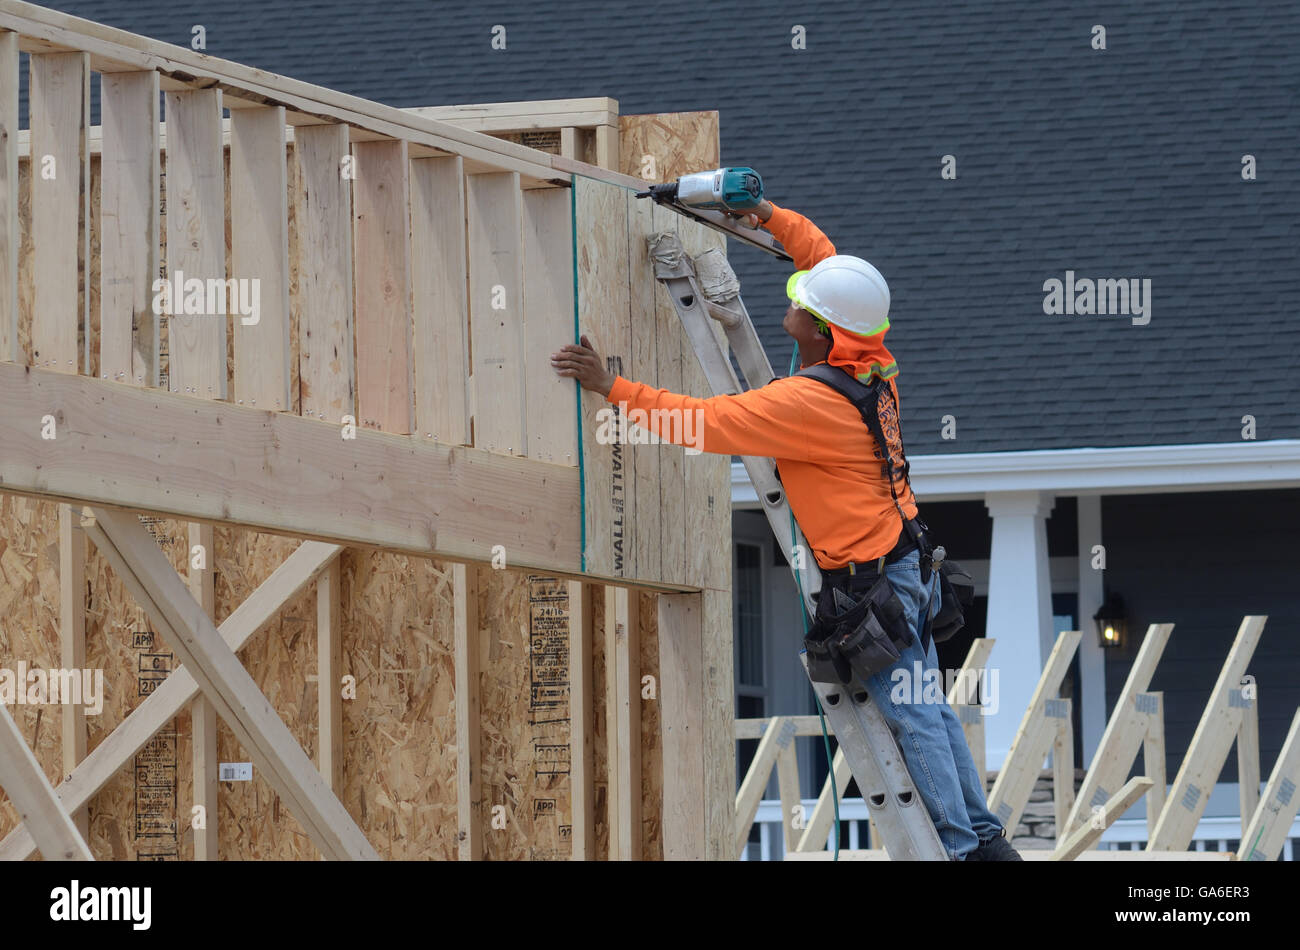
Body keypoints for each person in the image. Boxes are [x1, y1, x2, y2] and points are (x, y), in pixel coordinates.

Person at [551, 197, 1019, 861]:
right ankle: (987, 841)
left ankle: (961, 850)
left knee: (913, 714)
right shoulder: (871, 359)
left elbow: (701, 424)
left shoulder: (806, 404)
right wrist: (763, 211)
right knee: (929, 706)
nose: (791, 297)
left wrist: (613, 387)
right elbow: (822, 255)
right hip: (907, 565)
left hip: (874, 584)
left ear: (823, 332)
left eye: (803, 303)